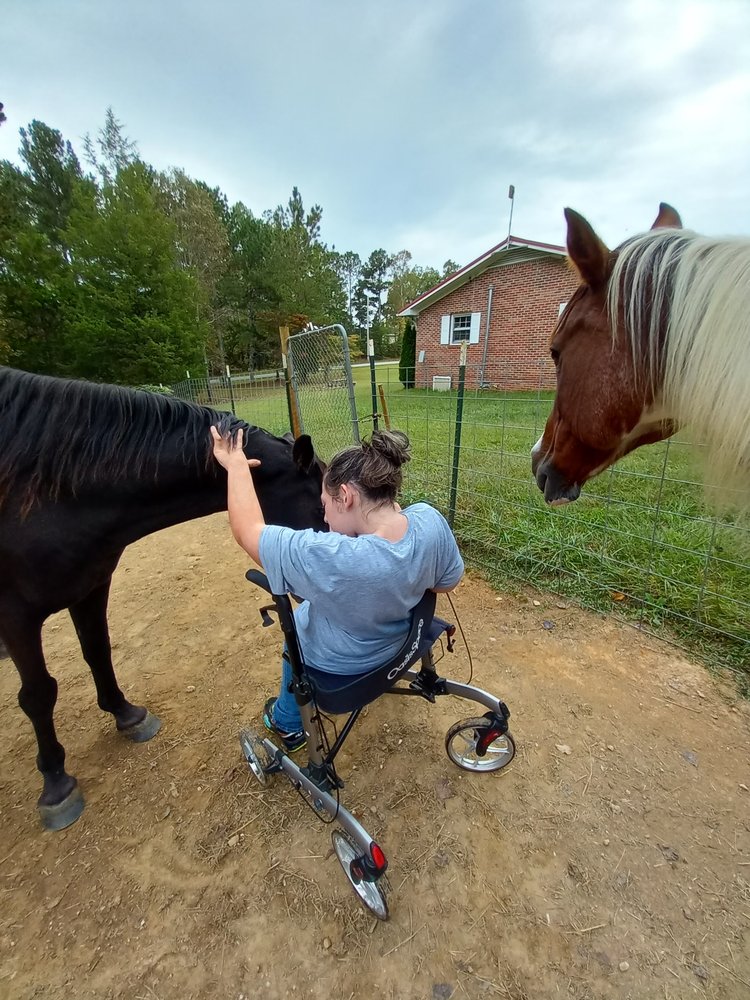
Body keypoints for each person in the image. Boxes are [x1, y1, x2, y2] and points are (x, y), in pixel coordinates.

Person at [210, 426, 464, 751]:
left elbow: (248, 531)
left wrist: (236, 466)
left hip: (343, 669)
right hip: (401, 643)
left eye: (325, 505)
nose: (325, 520)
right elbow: (448, 582)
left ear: (346, 496)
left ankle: (287, 723)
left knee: (297, 632)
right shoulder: (429, 521)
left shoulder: (333, 558)